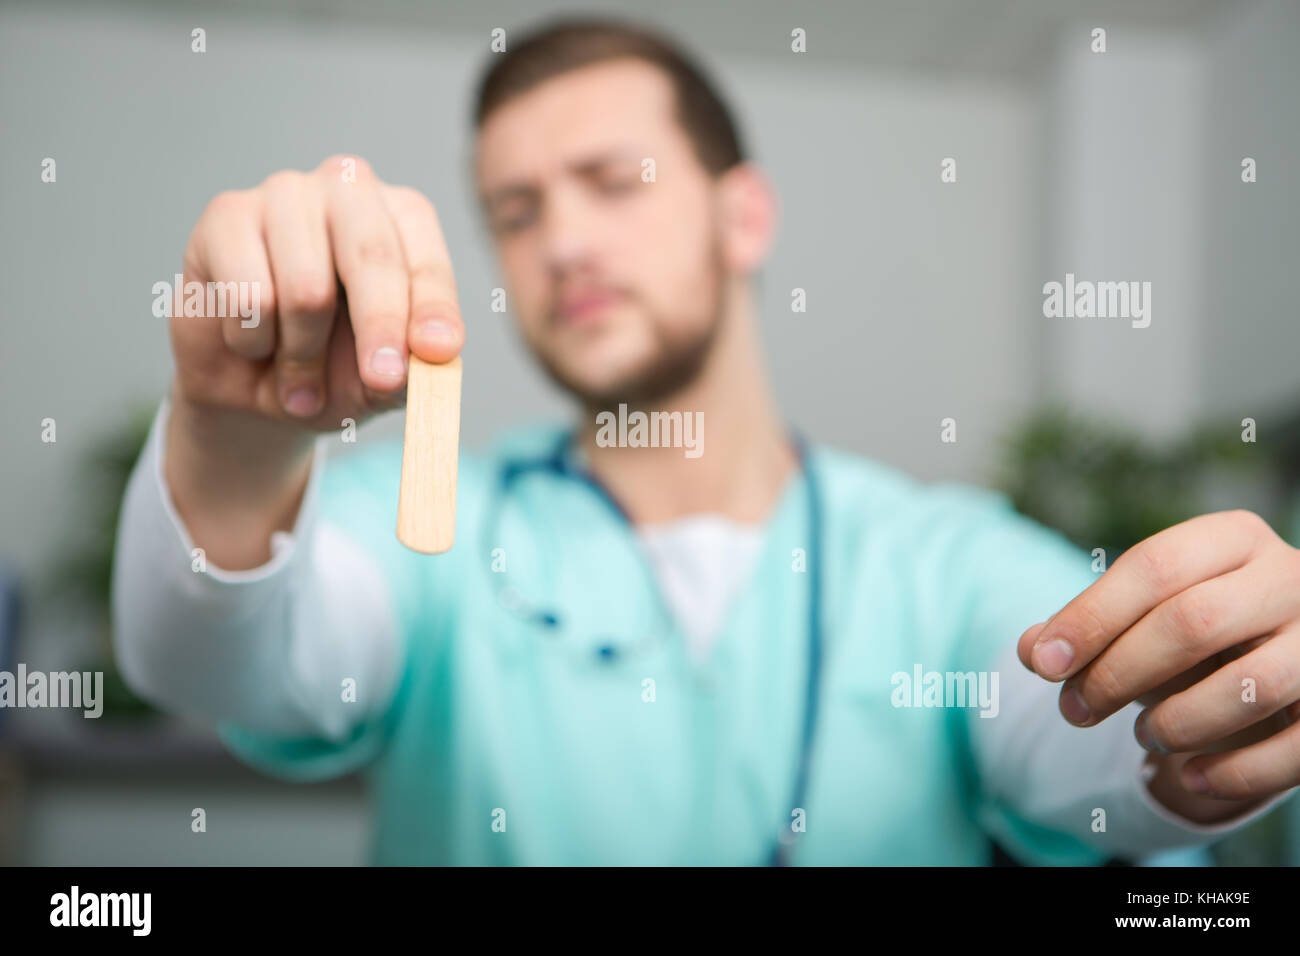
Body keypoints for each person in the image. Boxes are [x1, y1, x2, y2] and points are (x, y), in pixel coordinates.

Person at [112, 18, 1300, 865]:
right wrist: (229, 435)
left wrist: (1213, 711)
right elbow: (218, 663)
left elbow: (1090, 747)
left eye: (611, 181)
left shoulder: (937, 560)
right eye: (514, 212)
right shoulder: (422, 528)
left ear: (744, 215)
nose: (561, 242)